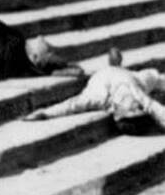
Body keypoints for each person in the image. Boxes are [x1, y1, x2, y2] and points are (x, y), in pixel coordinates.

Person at [24, 47, 165, 133]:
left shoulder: (97, 98)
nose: (136, 106)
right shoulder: (137, 92)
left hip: (105, 76)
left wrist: (44, 114)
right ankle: (116, 64)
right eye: (138, 108)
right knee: (153, 77)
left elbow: (71, 105)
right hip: (135, 78)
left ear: (116, 110)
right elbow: (154, 107)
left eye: (131, 108)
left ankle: (114, 64)